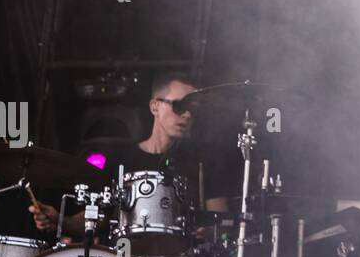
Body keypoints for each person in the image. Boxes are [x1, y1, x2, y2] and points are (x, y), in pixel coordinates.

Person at [29, 72, 222, 235]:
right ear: (155, 106)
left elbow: (220, 222)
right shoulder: (121, 160)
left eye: (192, 108)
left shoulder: (201, 163)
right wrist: (63, 221)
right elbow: (102, 216)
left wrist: (208, 232)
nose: (187, 115)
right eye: (179, 106)